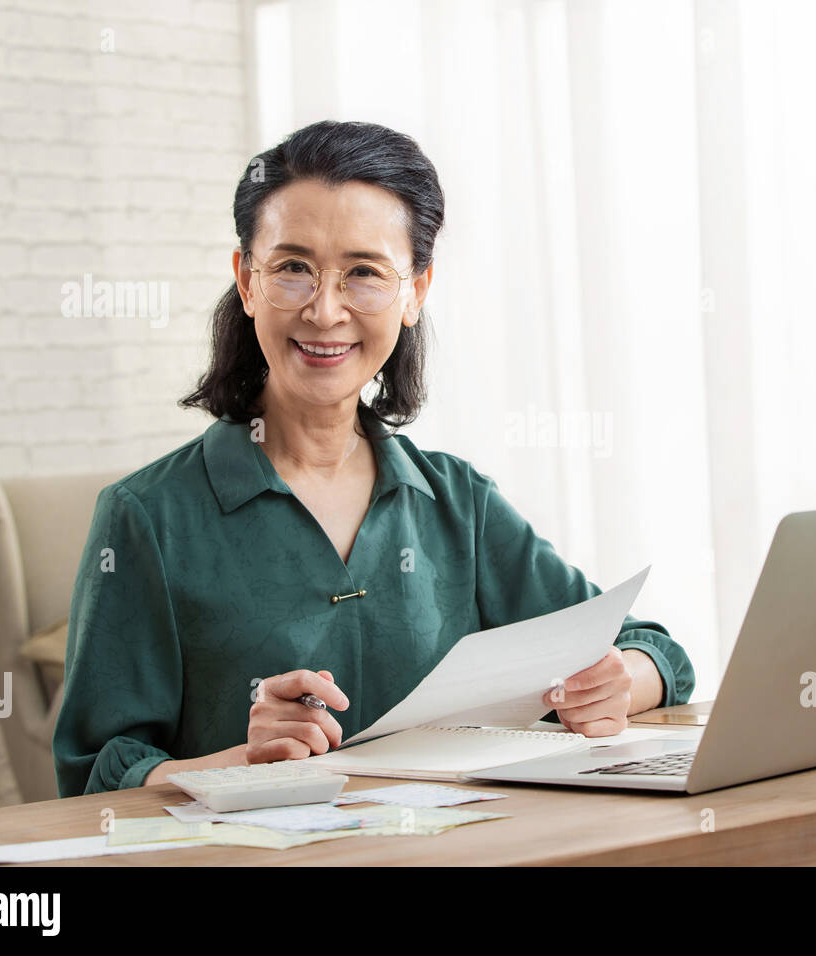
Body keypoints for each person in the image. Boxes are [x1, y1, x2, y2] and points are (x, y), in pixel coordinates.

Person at [53, 120, 695, 796]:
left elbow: (654, 649)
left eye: (363, 273)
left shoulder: (456, 500)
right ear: (246, 281)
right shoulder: (148, 517)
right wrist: (241, 760)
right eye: (294, 269)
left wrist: (620, 681)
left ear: (415, 290)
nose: (325, 312)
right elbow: (93, 779)